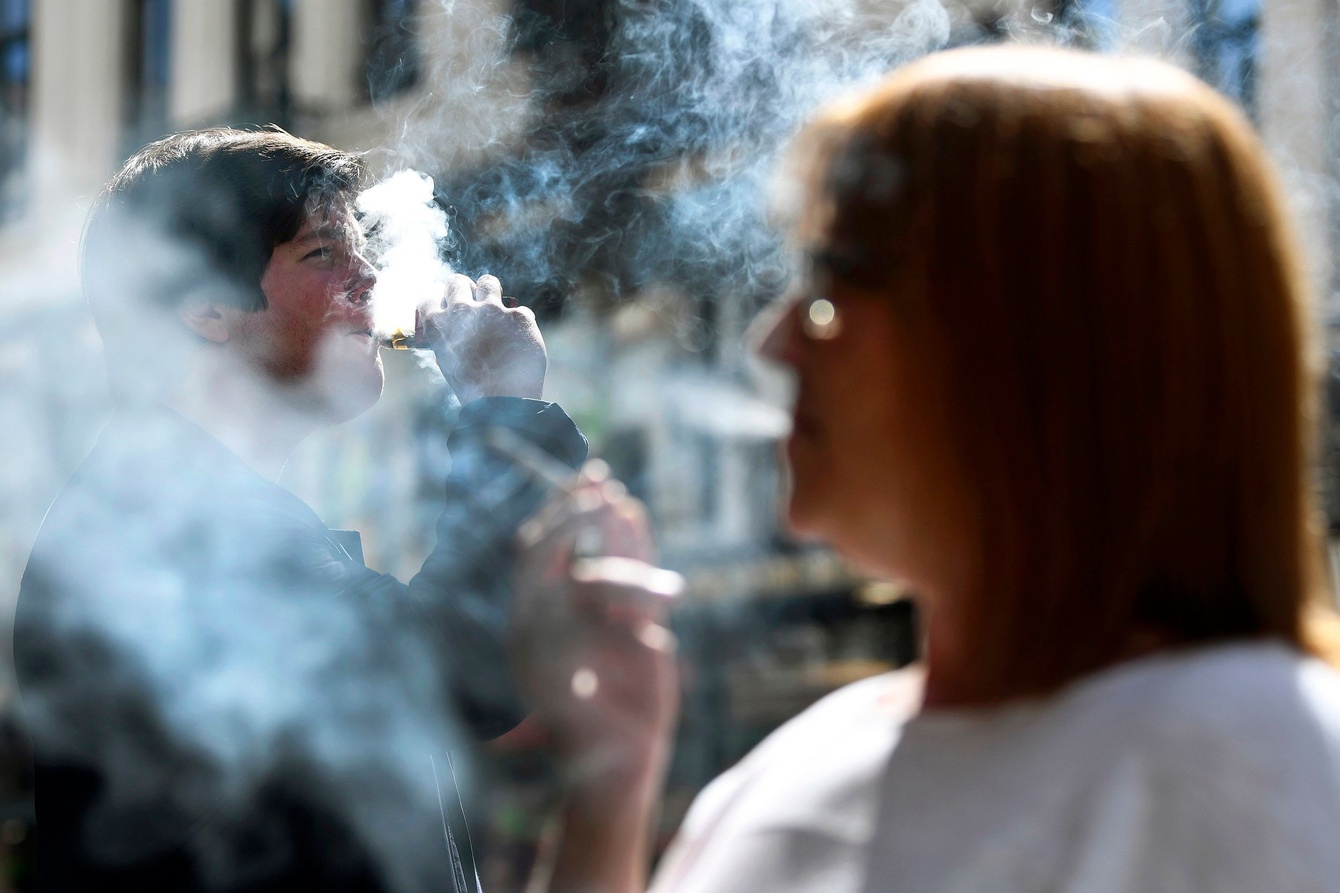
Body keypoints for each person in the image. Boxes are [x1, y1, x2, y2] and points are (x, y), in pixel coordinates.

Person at [533, 45, 1340, 893]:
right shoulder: (799, 764)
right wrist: (607, 787)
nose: (773, 344)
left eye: (833, 287)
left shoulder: (1246, 764)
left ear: (1032, 340)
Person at [15, 127, 589, 892]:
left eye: (361, 250)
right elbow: (451, 676)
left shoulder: (200, 507)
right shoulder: (156, 523)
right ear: (206, 305)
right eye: (324, 254)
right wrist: (507, 411)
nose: (369, 276)